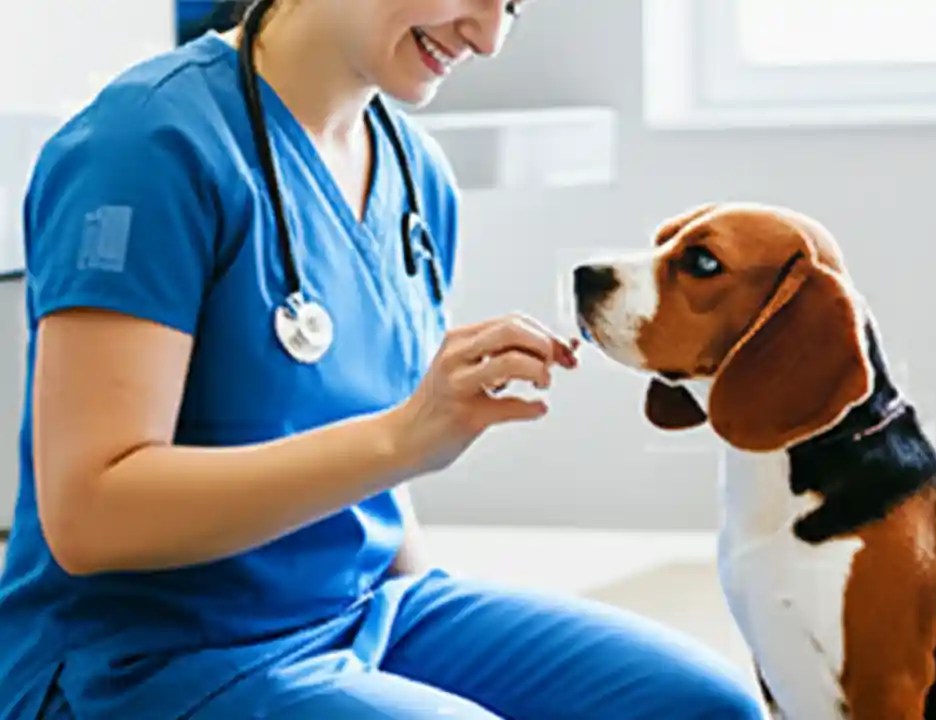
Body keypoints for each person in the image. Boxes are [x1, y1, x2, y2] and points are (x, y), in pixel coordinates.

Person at [0, 1, 762, 717]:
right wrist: (405, 438)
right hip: (142, 658)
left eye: (515, 4)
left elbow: (377, 480)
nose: (489, 36)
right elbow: (90, 514)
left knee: (700, 706)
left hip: (367, 610)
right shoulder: (143, 148)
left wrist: (430, 630)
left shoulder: (415, 174)